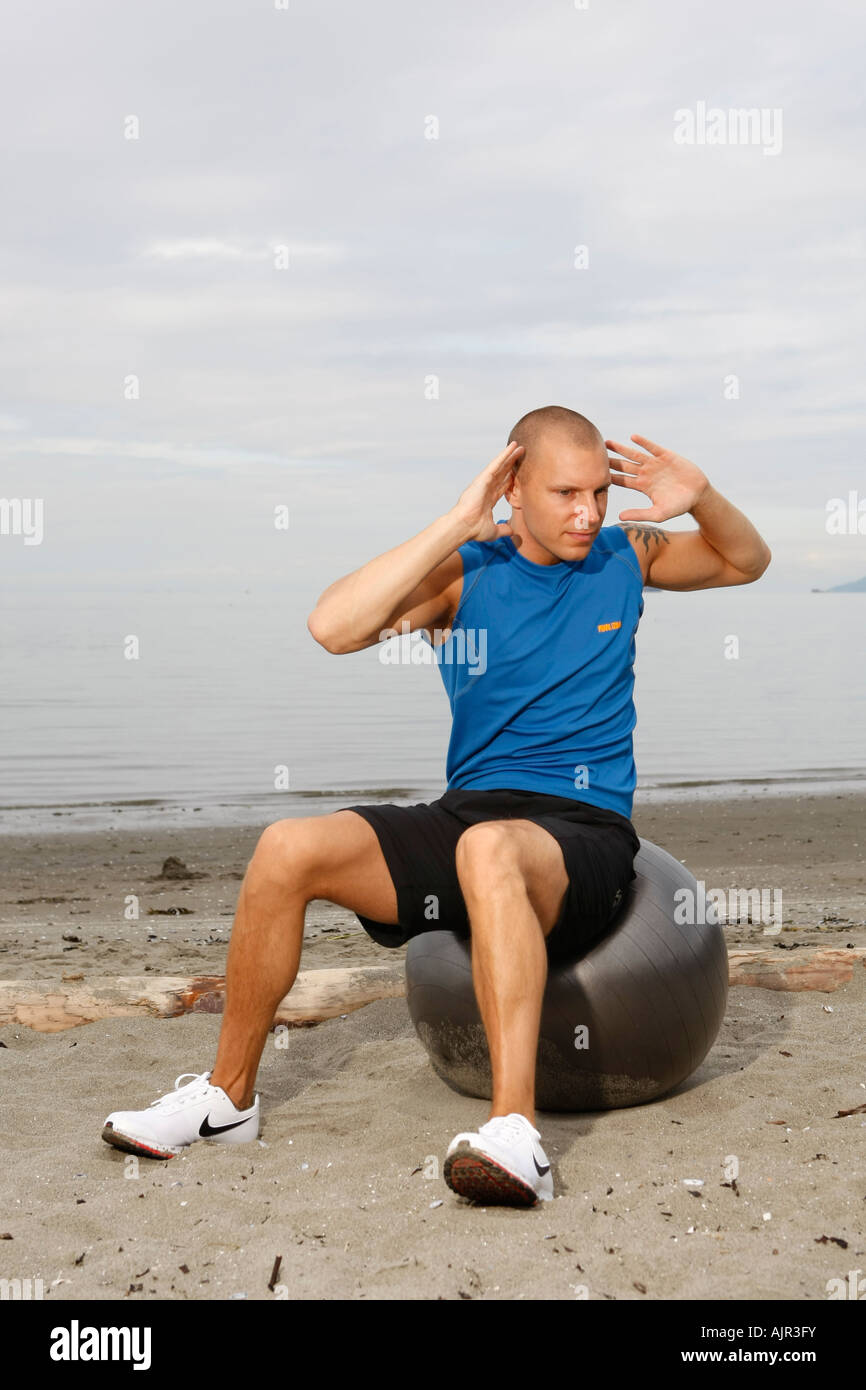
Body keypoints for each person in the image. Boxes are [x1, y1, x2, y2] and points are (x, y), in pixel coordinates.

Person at [102, 405, 771, 1206]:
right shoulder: (464, 571)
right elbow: (332, 627)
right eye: (565, 493)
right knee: (287, 846)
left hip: (582, 833)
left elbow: (744, 561)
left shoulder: (625, 555)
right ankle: (227, 1099)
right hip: (469, 813)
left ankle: (516, 1133)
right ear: (511, 487)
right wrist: (455, 523)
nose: (588, 512)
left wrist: (703, 495)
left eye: (597, 491)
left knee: (490, 849)